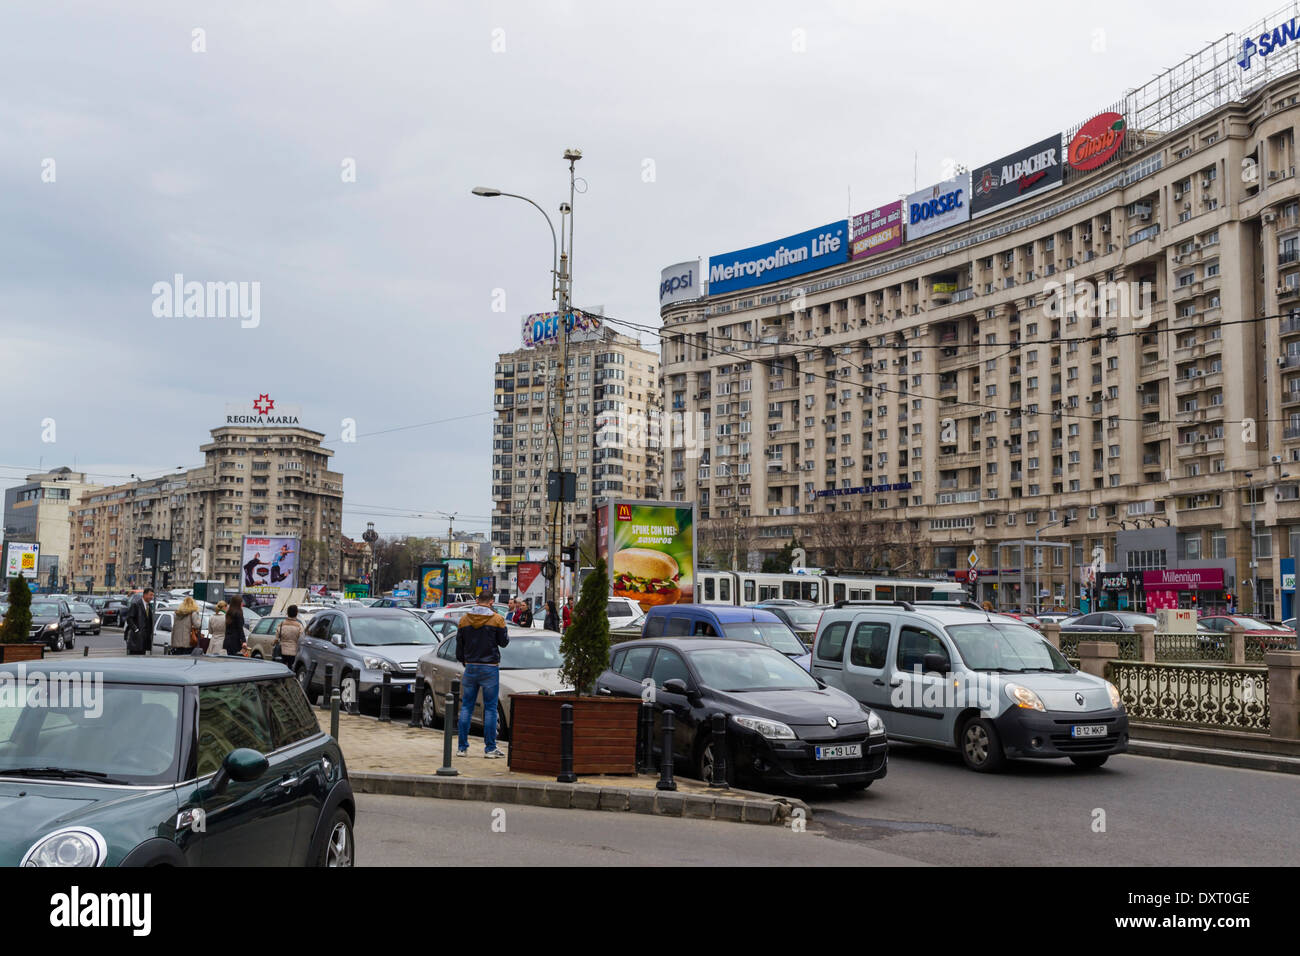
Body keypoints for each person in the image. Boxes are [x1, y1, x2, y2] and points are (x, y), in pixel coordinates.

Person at [455, 590, 510, 758]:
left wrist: (465, 661)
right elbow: (504, 642)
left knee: (466, 707)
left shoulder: (464, 619)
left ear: (477, 600)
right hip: (490, 667)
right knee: (491, 708)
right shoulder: (497, 619)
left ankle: (462, 748)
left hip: (471, 667)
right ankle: (490, 748)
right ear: (492, 602)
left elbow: (459, 646)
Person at [123, 588, 155, 655]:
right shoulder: (136, 604)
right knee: (135, 659)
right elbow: (129, 619)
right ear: (145, 595)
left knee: (142, 659)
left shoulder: (148, 606)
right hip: (136, 639)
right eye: (150, 595)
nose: (152, 597)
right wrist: (136, 630)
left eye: (153, 595)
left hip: (144, 639)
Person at [276, 604, 303, 669]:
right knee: (291, 669)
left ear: (287, 613)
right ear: (296, 613)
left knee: (281, 669)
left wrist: (273, 644)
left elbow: (276, 639)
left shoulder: (281, 624)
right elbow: (301, 639)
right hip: (293, 651)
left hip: (282, 651)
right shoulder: (299, 626)